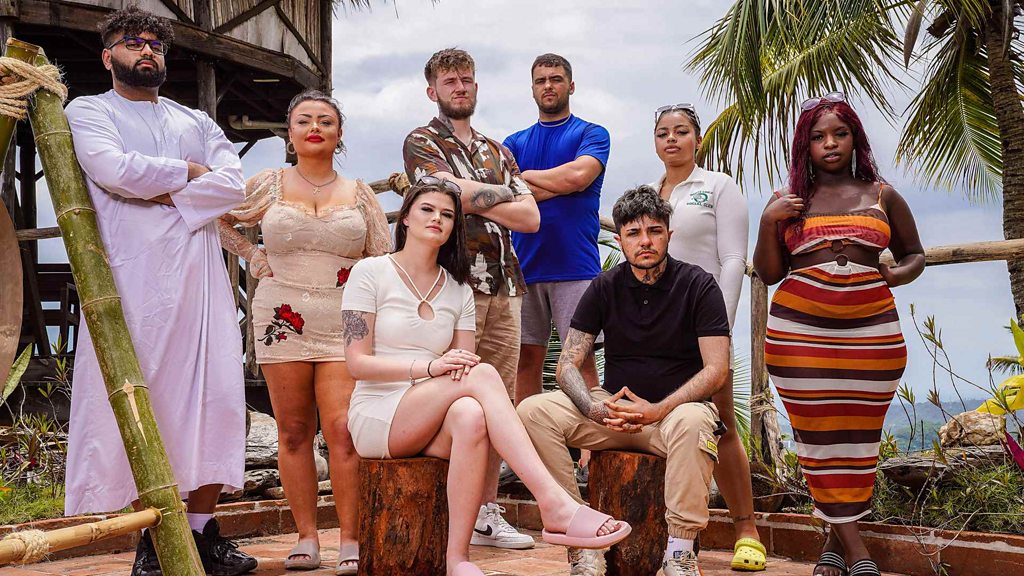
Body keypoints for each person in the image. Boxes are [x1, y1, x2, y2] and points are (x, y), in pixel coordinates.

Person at [341, 179, 631, 576]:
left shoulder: (458, 289)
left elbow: (464, 366)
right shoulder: (370, 272)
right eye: (427, 209)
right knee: (483, 375)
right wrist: (428, 368)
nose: (437, 219)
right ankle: (553, 502)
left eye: (447, 214)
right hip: (379, 413)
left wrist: (441, 372)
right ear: (405, 217)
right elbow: (357, 363)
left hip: (430, 416)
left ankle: (457, 558)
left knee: (471, 415)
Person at [63, 6, 256, 576]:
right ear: (108, 56)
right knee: (145, 402)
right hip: (133, 279)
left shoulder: (194, 119)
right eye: (133, 42)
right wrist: (190, 175)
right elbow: (114, 170)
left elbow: (234, 186)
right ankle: (153, 541)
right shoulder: (89, 110)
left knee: (217, 400)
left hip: (203, 281)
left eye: (155, 44)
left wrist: (161, 189)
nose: (146, 51)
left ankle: (200, 535)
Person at [217, 90, 390, 573]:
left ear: (339, 134)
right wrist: (251, 255)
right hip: (281, 317)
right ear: (290, 133)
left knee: (342, 429)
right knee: (293, 431)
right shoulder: (267, 184)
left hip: (345, 318)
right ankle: (307, 536)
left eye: (326, 121)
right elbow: (216, 217)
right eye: (304, 120)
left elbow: (381, 256)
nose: (315, 127)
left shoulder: (359, 193)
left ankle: (351, 537)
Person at [518, 186, 732, 576]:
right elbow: (567, 364)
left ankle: (679, 554)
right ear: (620, 240)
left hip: (672, 417)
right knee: (532, 411)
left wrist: (659, 409)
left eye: (654, 230)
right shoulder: (605, 285)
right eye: (634, 233)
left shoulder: (698, 285)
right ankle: (582, 540)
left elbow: (717, 369)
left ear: (669, 234)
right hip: (612, 414)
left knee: (696, 422)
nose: (645, 241)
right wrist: (593, 408)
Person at [752, 92, 924, 576]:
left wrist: (896, 275)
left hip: (873, 332)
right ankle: (858, 552)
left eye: (840, 134)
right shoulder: (787, 202)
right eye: (818, 136)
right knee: (818, 436)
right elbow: (769, 273)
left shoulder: (882, 195)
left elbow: (915, 254)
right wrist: (767, 222)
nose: (830, 143)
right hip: (799, 334)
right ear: (804, 145)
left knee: (857, 440)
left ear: (855, 139)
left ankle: (833, 542)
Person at [403, 47, 541, 551]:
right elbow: (444, 198)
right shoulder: (422, 141)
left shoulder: (497, 150)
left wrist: (475, 194)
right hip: (454, 284)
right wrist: (503, 194)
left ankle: (486, 513)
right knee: (453, 395)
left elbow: (531, 218)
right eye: (449, 81)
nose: (459, 88)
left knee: (500, 399)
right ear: (433, 90)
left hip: (506, 286)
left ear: (476, 86)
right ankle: (445, 510)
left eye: (466, 79)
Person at [650, 103, 765, 571]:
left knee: (722, 424)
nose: (672, 139)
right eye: (663, 132)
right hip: (655, 329)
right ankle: (673, 535)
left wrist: (720, 324)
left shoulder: (718, 186)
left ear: (697, 139)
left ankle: (746, 530)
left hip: (705, 326)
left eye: (681, 131)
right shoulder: (648, 194)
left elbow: (734, 259)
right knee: (662, 423)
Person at [504, 53, 609, 405]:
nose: (548, 86)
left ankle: (591, 441)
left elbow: (580, 176)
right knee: (524, 363)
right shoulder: (513, 143)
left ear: (571, 85)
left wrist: (526, 179)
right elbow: (508, 194)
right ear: (532, 89)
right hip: (524, 269)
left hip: (576, 267)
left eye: (556, 79)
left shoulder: (592, 133)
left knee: (581, 362)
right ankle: (525, 439)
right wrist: (561, 184)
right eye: (541, 80)